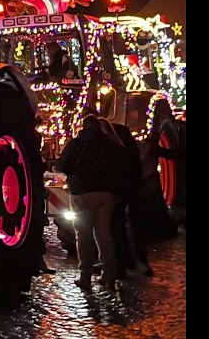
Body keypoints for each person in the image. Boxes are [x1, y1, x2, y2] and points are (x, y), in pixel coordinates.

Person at [56, 114, 126, 290]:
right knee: (104, 234)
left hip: (81, 193)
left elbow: (64, 166)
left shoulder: (75, 144)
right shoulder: (110, 145)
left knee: (83, 235)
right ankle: (109, 275)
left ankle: (85, 276)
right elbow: (120, 169)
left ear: (83, 126)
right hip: (106, 193)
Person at [98, 117, 153, 277]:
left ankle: (128, 262)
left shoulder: (115, 147)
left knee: (121, 226)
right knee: (118, 226)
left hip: (122, 189)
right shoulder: (121, 144)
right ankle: (124, 261)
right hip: (122, 189)